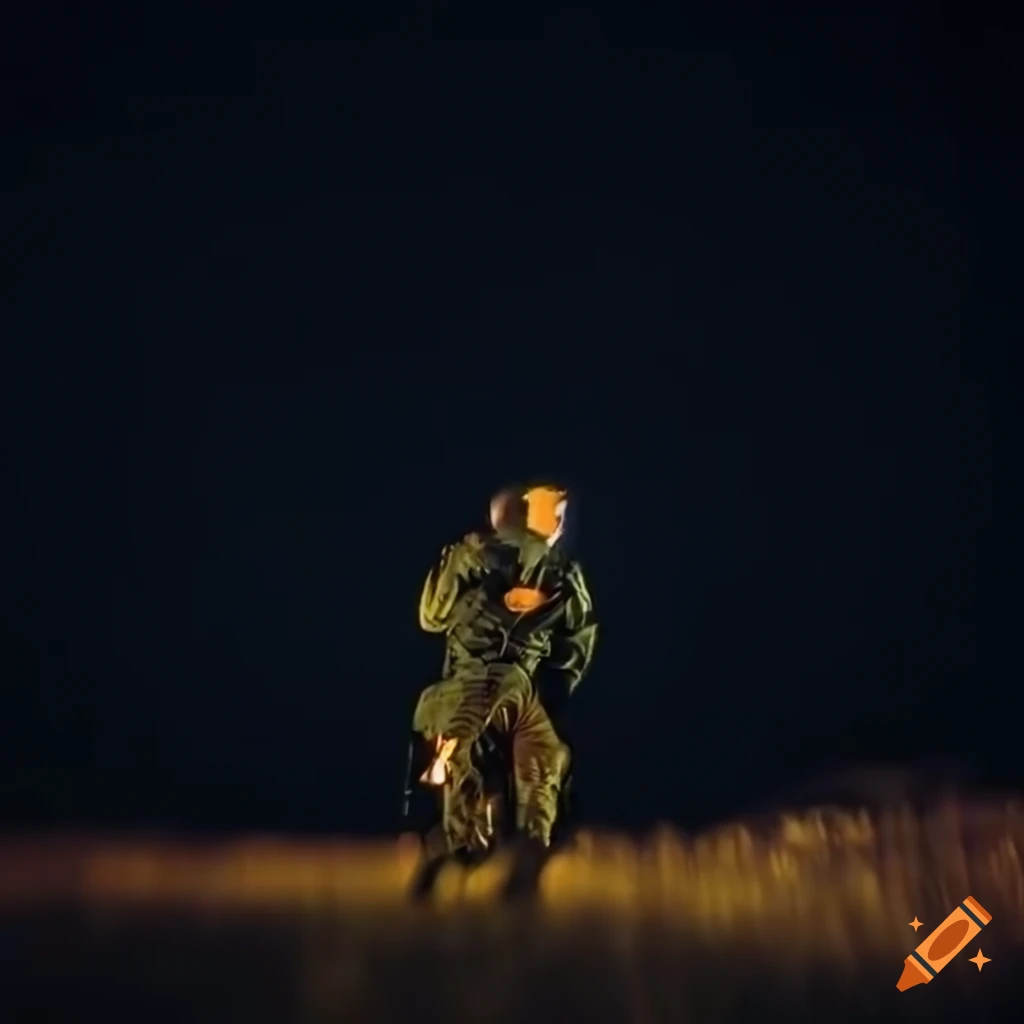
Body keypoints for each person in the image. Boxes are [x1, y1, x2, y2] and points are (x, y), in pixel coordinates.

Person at [409, 482, 598, 897]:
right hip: (513, 689)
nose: (560, 526)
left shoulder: (471, 555)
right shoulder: (560, 568)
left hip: (474, 688)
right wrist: (554, 686)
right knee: (540, 773)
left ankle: (449, 862)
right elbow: (577, 639)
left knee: (473, 792)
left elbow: (431, 616)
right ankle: (514, 867)